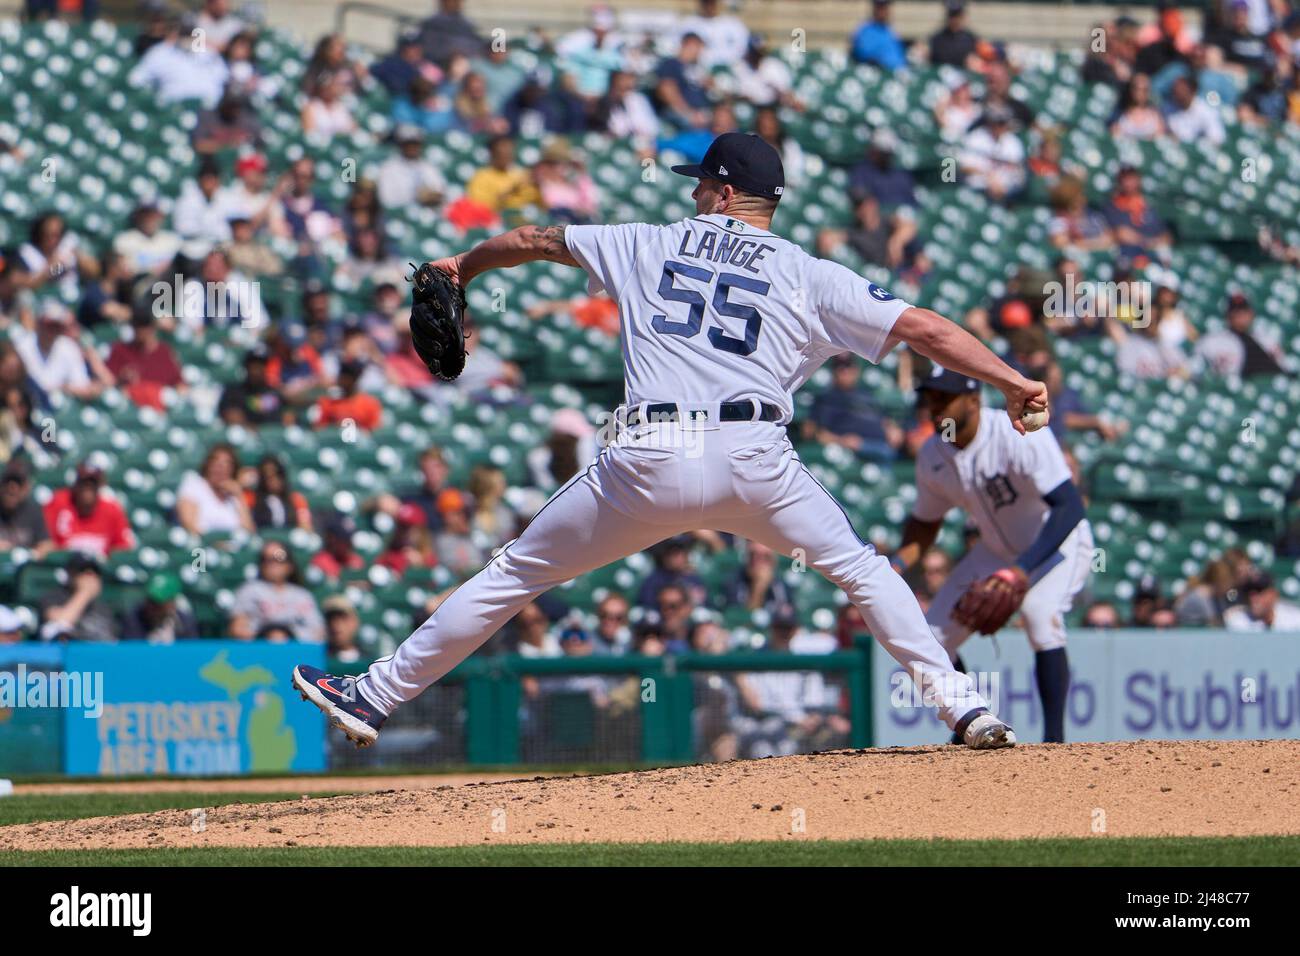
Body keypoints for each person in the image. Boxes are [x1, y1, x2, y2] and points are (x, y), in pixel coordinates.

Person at [296, 131, 1046, 750]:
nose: (691, 193)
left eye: (701, 184)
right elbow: (928, 330)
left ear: (723, 192)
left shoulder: (645, 242)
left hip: (649, 458)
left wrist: (462, 264)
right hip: (756, 462)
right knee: (861, 568)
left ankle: (373, 694)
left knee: (515, 574)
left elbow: (532, 237)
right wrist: (1012, 381)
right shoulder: (810, 272)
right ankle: (963, 708)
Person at [892, 366, 1092, 743]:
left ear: (973, 399)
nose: (934, 408)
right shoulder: (932, 456)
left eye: (943, 398)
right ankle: (972, 723)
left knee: (1039, 614)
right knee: (932, 638)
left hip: (1056, 543)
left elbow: (1069, 507)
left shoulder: (1017, 433)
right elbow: (925, 523)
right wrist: (898, 564)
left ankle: (1054, 743)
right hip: (996, 552)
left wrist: (1021, 572)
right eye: (930, 399)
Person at [805, 352, 904, 461]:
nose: (845, 371)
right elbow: (816, 433)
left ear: (856, 370)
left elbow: (883, 418)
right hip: (857, 448)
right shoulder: (827, 398)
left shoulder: (867, 394)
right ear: (833, 371)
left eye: (848, 366)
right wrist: (841, 440)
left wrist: (892, 428)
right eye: (840, 367)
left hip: (882, 443)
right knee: (885, 453)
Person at [229, 541, 325, 642]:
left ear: (290, 565)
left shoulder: (303, 595)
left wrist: (288, 637)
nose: (272, 563)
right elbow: (237, 629)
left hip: (297, 652)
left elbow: (319, 632)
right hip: (259, 653)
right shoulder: (249, 590)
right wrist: (267, 637)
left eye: (279, 557)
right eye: (266, 559)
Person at [44, 461, 135, 558]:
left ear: (100, 486)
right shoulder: (59, 502)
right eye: (84, 483)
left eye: (93, 484)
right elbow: (45, 543)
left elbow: (123, 548)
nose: (88, 488)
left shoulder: (112, 510)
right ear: (76, 484)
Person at [1195, 293, 1286, 376]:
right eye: (1236, 310)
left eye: (1244, 310)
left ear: (1251, 313)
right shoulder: (1211, 341)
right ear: (1227, 315)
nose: (1241, 314)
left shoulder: (1267, 340)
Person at [39, 552, 121, 642]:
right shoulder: (54, 596)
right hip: (70, 652)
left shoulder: (104, 606)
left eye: (95, 572)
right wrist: (84, 593)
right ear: (71, 574)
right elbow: (59, 623)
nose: (90, 576)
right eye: (83, 571)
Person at [177, 443, 255, 536]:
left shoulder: (233, 496)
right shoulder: (194, 484)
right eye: (216, 463)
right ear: (208, 466)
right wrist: (216, 543)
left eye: (227, 464)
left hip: (234, 547)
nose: (221, 468)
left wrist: (239, 496)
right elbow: (189, 526)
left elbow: (249, 531)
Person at [465, 135, 542, 215]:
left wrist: (540, 187)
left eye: (509, 153)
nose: (506, 156)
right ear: (492, 153)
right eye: (502, 153)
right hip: (499, 221)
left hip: (525, 217)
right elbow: (480, 206)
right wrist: (510, 192)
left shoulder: (522, 174)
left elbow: (539, 203)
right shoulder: (481, 177)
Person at [121, 572, 199, 642]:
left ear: (172, 603)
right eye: (150, 600)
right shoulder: (135, 619)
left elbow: (191, 652)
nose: (152, 607)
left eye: (158, 603)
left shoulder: (184, 622)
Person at [246, 455, 313, 532]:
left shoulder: (296, 499)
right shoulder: (252, 498)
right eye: (267, 476)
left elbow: (306, 526)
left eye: (277, 474)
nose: (273, 479)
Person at [0, 457, 51, 557]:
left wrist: (33, 554)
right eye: (7, 482)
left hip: (23, 568)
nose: (12, 489)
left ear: (26, 488)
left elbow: (47, 544)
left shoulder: (33, 510)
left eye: (18, 483)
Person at [1223, 572, 1300, 632]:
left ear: (1273, 594)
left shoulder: (1295, 619)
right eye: (1249, 592)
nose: (1253, 598)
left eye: (1259, 591)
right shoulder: (1238, 621)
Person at [851, 0, 907, 71]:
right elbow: (863, 55)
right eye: (880, 7)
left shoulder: (890, 30)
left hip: (899, 73)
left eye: (885, 7)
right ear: (874, 8)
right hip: (879, 74)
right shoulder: (864, 30)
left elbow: (900, 55)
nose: (883, 11)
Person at [929, 0, 980, 69]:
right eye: (952, 16)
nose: (955, 20)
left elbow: (976, 62)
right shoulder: (936, 39)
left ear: (962, 16)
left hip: (965, 76)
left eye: (957, 16)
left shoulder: (971, 39)